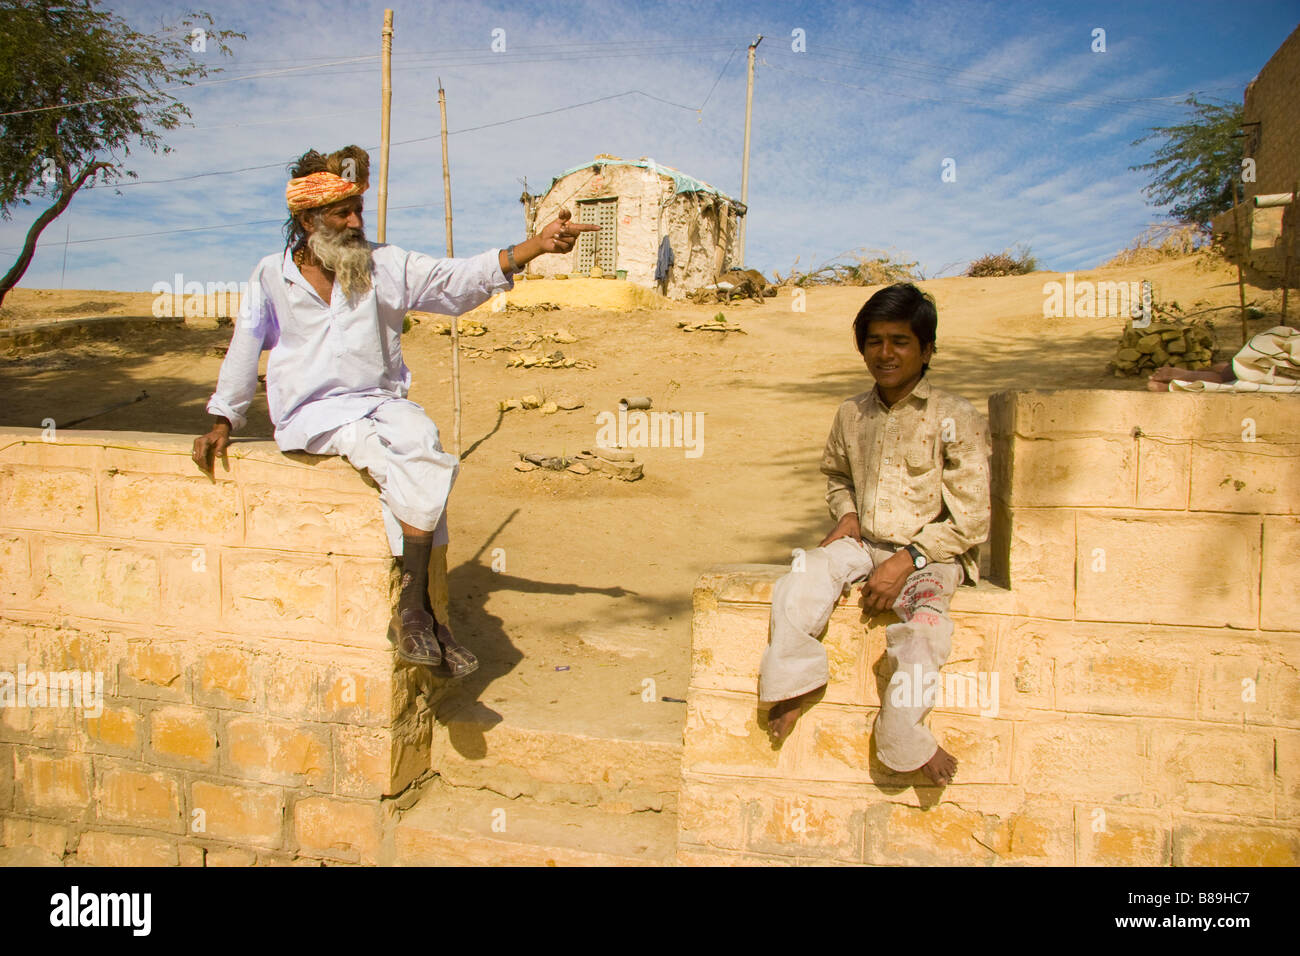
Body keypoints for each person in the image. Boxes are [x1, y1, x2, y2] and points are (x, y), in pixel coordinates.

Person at [192, 145, 595, 678]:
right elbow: (246, 345)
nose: (357, 222)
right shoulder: (271, 275)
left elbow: (456, 279)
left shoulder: (384, 264)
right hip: (313, 413)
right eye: (343, 213)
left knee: (424, 445)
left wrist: (534, 248)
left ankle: (415, 614)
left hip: (380, 401)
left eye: (359, 209)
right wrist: (225, 418)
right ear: (308, 219)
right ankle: (423, 614)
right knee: (384, 457)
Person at [758, 283, 991, 786]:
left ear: (926, 350)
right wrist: (846, 514)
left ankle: (905, 740)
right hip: (863, 542)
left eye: (901, 341)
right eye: (874, 341)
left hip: (932, 555)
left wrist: (907, 560)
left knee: (925, 635)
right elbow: (837, 478)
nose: (885, 354)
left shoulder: (955, 417)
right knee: (802, 575)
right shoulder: (850, 413)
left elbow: (971, 521)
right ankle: (795, 681)